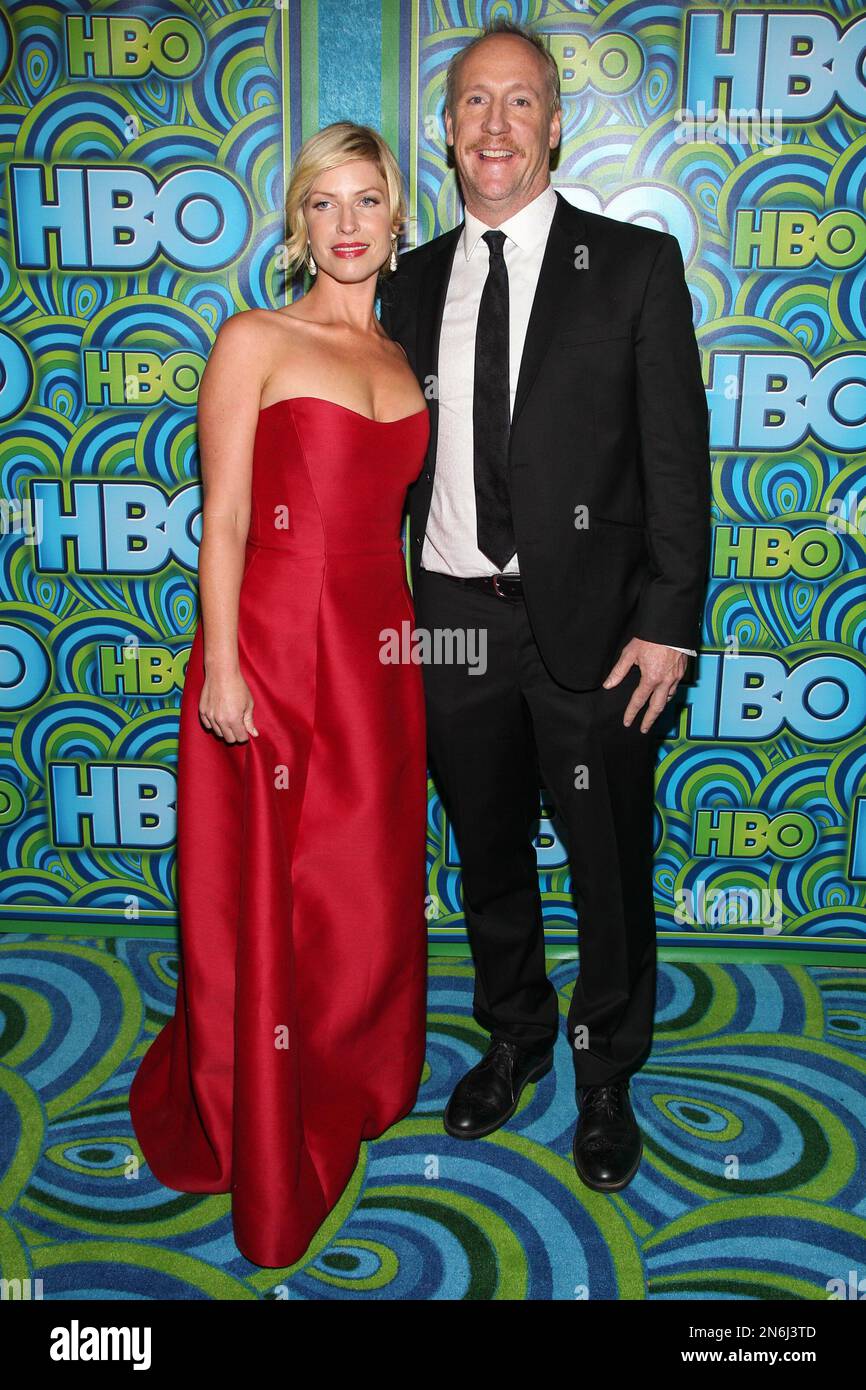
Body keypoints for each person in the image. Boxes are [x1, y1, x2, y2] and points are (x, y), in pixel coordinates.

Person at [378, 19, 711, 1191]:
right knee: (485, 852)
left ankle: (605, 1064)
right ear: (448, 127)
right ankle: (515, 1034)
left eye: (519, 103)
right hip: (456, 620)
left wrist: (670, 617)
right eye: (473, 103)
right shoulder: (405, 284)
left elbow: (674, 458)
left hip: (600, 630)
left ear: (554, 123)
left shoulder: (628, 267)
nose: (494, 127)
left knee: (607, 859)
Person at [129, 122, 431, 1267]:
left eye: (366, 202)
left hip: (377, 649)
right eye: (323, 204)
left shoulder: (405, 362)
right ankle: (256, 1100)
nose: (347, 225)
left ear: (395, 217)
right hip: (272, 643)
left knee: (361, 880)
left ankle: (348, 1070)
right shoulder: (253, 336)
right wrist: (220, 665)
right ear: (296, 221)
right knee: (272, 883)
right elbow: (227, 521)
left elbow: (395, 535)